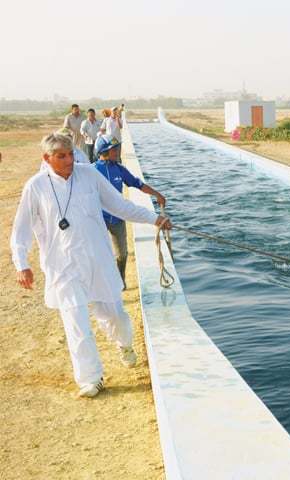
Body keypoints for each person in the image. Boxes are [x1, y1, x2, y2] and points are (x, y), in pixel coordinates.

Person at [10, 133, 172, 398]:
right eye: (61, 156)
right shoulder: (36, 187)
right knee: (76, 325)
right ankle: (91, 378)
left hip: (97, 260)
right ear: (46, 158)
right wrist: (21, 263)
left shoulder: (89, 176)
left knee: (115, 316)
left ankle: (125, 345)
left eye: (71, 154)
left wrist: (155, 219)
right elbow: (21, 231)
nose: (69, 160)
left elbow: (120, 206)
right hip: (62, 266)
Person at [94, 135, 166, 289]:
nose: (117, 151)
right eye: (114, 149)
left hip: (118, 218)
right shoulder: (92, 170)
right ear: (103, 151)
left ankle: (121, 281)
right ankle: (102, 284)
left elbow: (137, 184)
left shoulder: (119, 169)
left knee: (122, 254)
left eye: (117, 148)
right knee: (100, 253)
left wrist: (157, 194)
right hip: (100, 219)